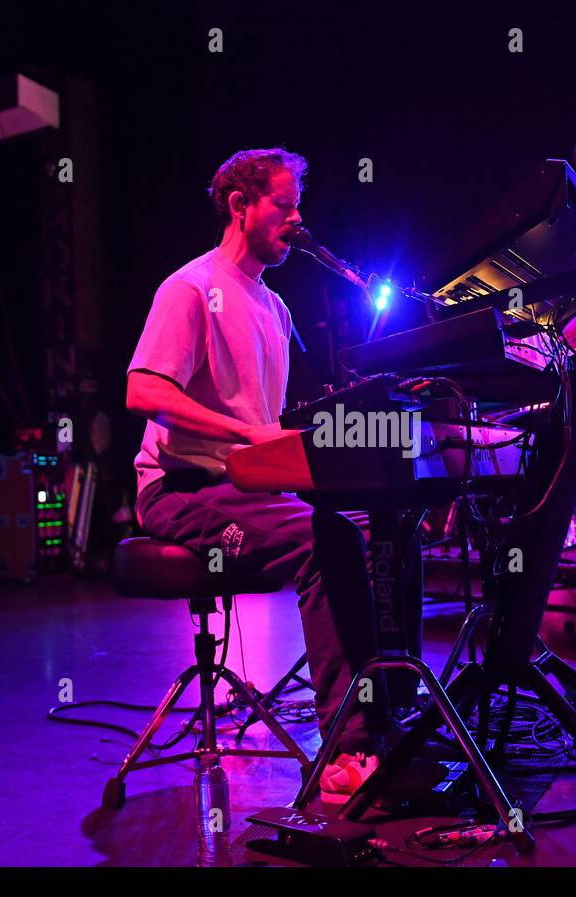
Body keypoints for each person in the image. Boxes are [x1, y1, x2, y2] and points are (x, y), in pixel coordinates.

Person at [125, 148, 404, 804]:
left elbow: (271, 425)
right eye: (283, 203)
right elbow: (143, 391)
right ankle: (350, 751)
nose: (296, 216)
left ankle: (394, 715)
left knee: (388, 529)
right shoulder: (190, 288)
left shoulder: (275, 312)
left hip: (247, 487)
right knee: (326, 542)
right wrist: (250, 433)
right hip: (180, 490)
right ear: (240, 206)